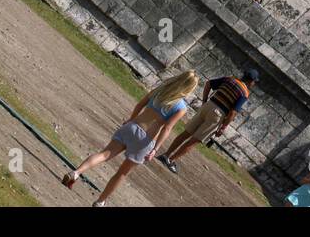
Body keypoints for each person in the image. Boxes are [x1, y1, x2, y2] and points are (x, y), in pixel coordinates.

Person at [62, 70, 199, 206]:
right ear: (189, 88)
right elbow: (167, 128)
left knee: (104, 154)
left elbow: (140, 104)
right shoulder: (181, 107)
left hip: (132, 126)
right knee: (122, 173)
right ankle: (100, 201)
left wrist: (130, 120)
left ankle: (76, 173)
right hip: (145, 140)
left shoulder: (160, 89)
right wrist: (155, 149)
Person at [156, 69, 259, 173]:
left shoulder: (229, 79)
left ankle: (166, 155)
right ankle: (171, 160)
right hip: (218, 114)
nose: (253, 84)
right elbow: (233, 112)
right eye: (254, 82)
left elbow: (208, 84)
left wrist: (204, 101)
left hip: (209, 105)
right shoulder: (244, 93)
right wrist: (223, 127)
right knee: (194, 140)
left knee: (186, 133)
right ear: (251, 81)